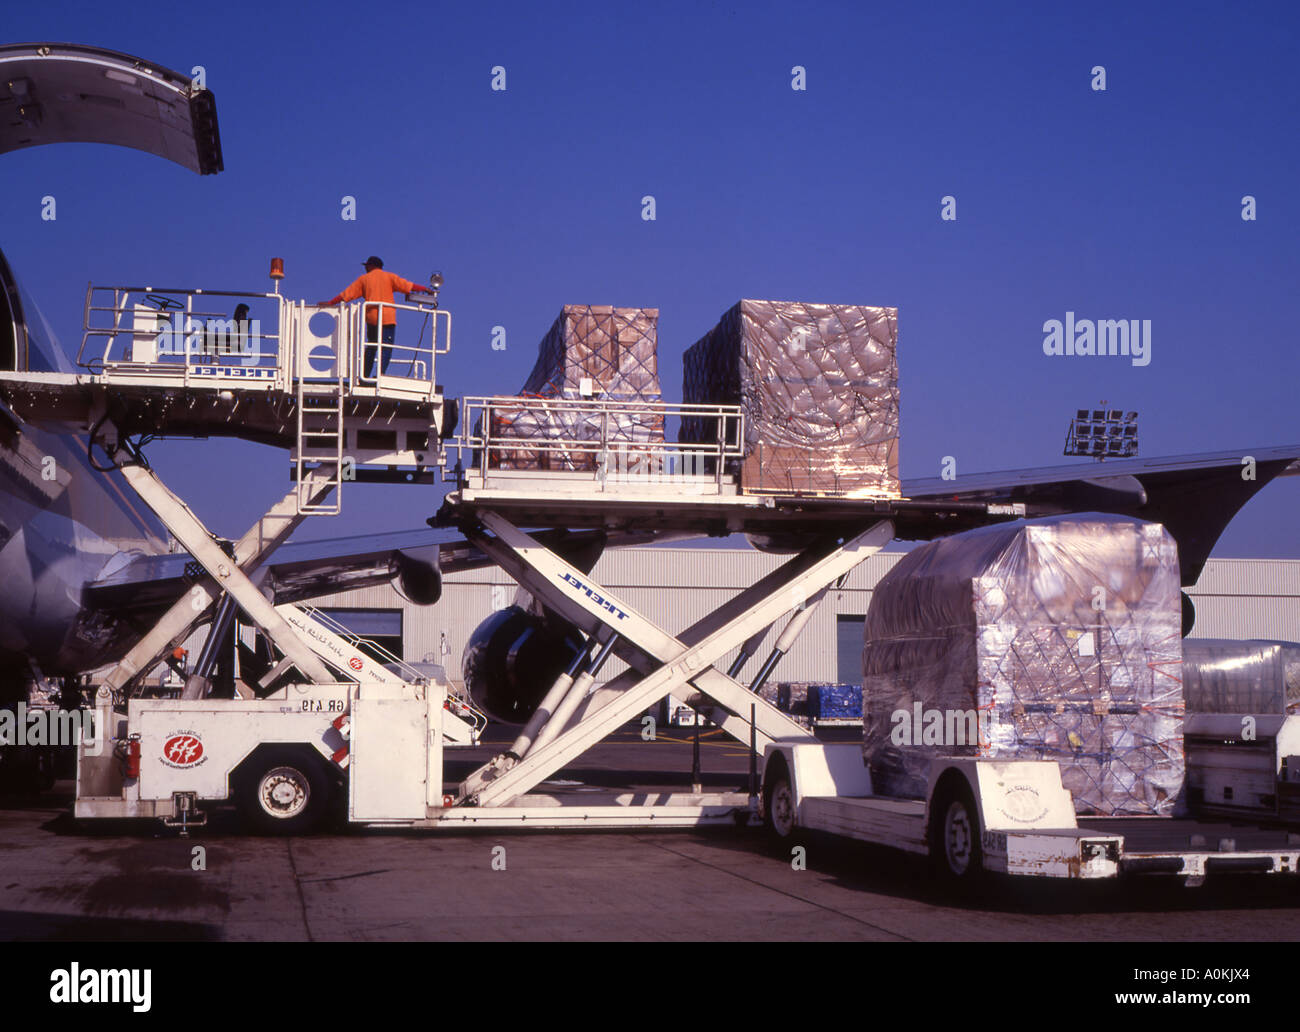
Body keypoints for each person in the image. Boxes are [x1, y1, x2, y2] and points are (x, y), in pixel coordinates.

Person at [319, 256, 433, 379]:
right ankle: (381, 374)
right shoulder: (389, 277)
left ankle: (365, 375)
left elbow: (347, 294)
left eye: (366, 266)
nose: (365, 269)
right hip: (387, 318)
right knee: (386, 348)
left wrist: (331, 303)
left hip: (372, 319)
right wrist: (425, 289)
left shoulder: (364, 279)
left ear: (371, 266)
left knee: (372, 347)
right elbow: (408, 286)